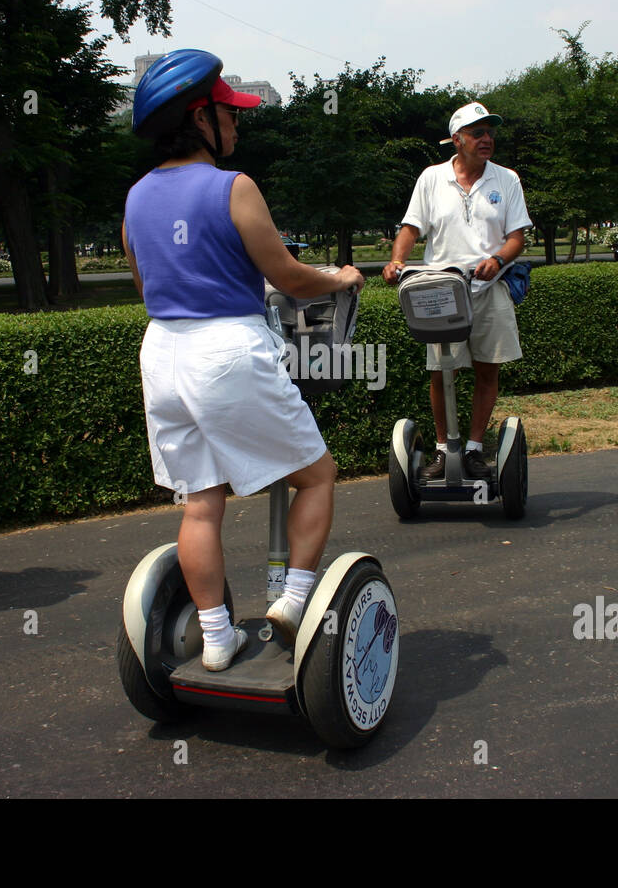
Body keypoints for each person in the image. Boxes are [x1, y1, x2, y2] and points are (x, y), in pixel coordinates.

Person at [124, 50, 364, 671]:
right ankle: (293, 601)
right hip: (226, 350)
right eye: (229, 113)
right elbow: (286, 275)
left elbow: (148, 287)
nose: (238, 124)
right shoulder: (233, 186)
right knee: (315, 475)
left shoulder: (136, 198)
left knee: (201, 502)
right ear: (199, 117)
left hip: (162, 353)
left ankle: (215, 637)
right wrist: (338, 277)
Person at [383, 102, 532, 480]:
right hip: (443, 289)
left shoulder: (506, 179)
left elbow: (517, 237)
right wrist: (397, 261)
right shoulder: (432, 178)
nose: (487, 139)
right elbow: (411, 227)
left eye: (490, 132)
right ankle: (442, 448)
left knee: (487, 369)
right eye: (478, 133)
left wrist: (497, 260)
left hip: (489, 287)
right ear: (457, 139)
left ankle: (474, 449)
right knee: (440, 371)